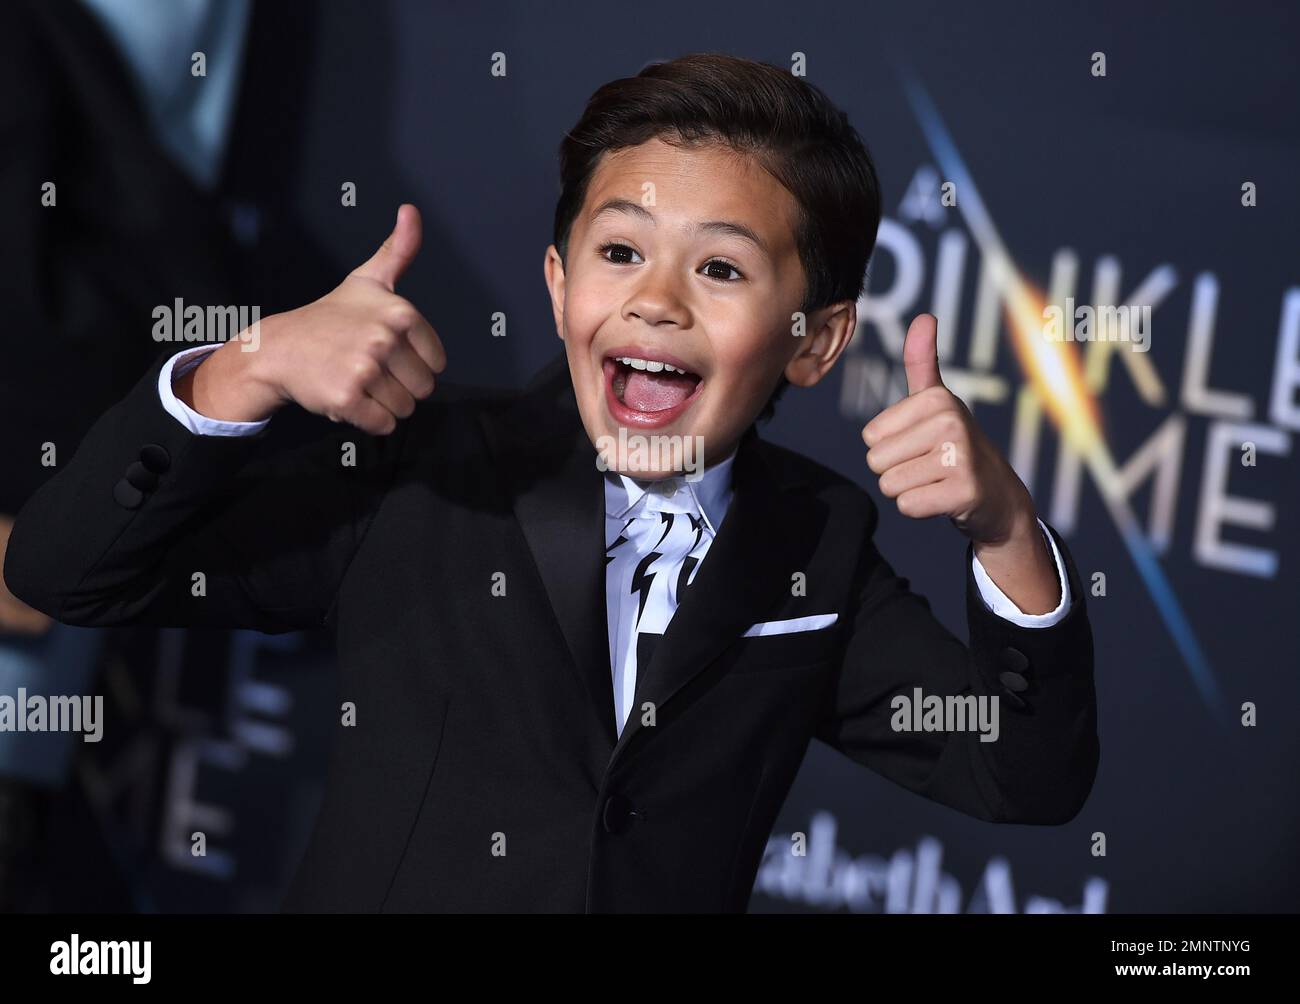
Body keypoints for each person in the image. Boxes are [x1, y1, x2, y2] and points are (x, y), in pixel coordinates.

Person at [4, 53, 1098, 913]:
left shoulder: (814, 541)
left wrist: (1002, 523)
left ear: (814, 340)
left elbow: (1027, 777)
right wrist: (244, 369)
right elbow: (64, 571)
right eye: (620, 251)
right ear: (559, 279)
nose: (656, 300)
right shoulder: (425, 469)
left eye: (719, 267)